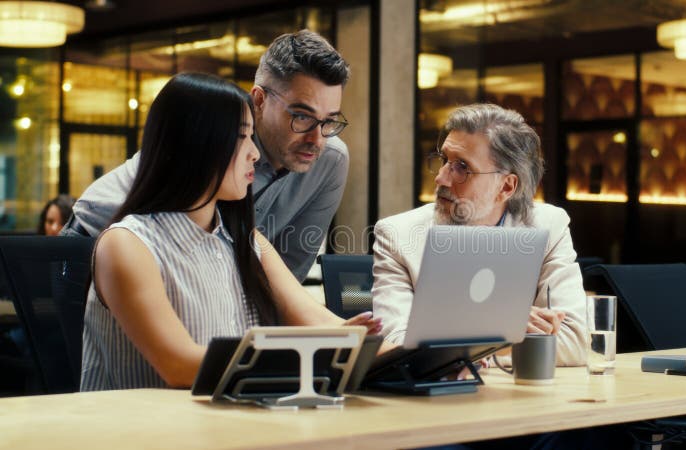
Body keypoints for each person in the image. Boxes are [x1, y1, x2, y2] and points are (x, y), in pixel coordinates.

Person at [80, 73, 380, 391]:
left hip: (228, 427)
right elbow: (180, 365)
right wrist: (307, 354)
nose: (254, 153)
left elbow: (316, 319)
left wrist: (366, 339)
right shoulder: (126, 244)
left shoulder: (245, 240)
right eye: (242, 137)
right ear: (195, 144)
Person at [62, 29, 350, 282]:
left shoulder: (331, 160)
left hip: (188, 269)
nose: (316, 139)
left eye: (329, 121)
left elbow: (288, 270)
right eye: (302, 117)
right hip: (94, 241)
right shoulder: (215, 133)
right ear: (260, 100)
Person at [371, 103, 586, 366]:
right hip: (436, 403)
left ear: (506, 186)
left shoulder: (548, 226)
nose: (441, 178)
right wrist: (503, 328)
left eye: (462, 167)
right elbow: (398, 345)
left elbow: (575, 341)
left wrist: (470, 345)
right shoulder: (397, 235)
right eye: (444, 161)